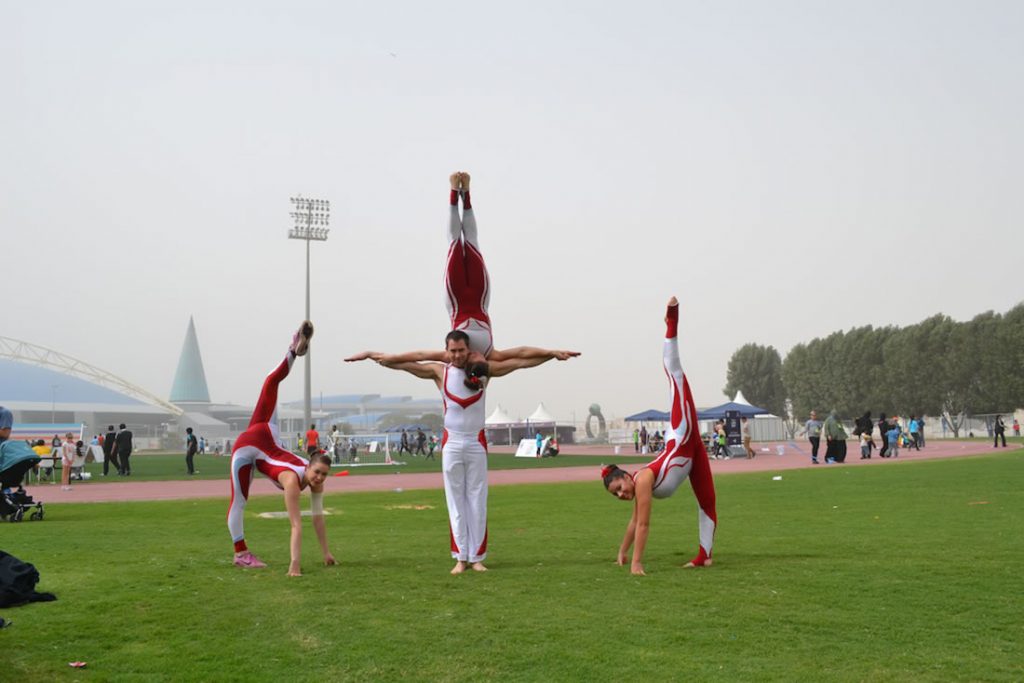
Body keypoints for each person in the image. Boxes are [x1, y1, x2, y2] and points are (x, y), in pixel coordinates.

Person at [347, 330, 575, 574]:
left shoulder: (484, 371)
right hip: (452, 442)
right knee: (455, 502)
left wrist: (551, 354)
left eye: (461, 350)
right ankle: (460, 558)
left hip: (476, 442)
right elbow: (406, 364)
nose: (457, 355)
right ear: (447, 351)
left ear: (468, 350)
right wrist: (372, 355)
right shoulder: (439, 372)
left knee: (477, 501)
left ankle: (477, 558)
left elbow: (520, 360)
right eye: (452, 351)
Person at [344, 172, 579, 368]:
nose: (473, 356)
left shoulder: (451, 354)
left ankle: (453, 194)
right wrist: (551, 353)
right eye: (480, 361)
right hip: (480, 296)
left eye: (468, 356)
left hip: (455, 296)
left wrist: (371, 354)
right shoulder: (490, 353)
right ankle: (465, 195)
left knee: (455, 243)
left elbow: (417, 356)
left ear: (463, 357)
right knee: (473, 243)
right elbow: (522, 355)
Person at [601, 297, 717, 576]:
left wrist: (637, 563)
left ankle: (671, 324)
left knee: (675, 376)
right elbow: (634, 522)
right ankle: (705, 557)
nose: (621, 494)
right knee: (707, 503)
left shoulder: (642, 480)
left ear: (627, 476)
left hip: (682, 434)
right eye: (617, 494)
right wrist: (622, 551)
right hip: (692, 453)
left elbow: (644, 525)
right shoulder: (639, 483)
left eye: (619, 487)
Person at [227, 321, 337, 576]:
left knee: (270, 385)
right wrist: (294, 565)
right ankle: (241, 554)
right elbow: (296, 525)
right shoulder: (292, 481)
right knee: (239, 501)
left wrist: (326, 553)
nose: (319, 478)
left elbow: (318, 518)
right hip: (251, 444)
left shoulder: (314, 477)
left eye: (323, 475)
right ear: (308, 466)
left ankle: (293, 350)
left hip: (264, 438)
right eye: (317, 473)